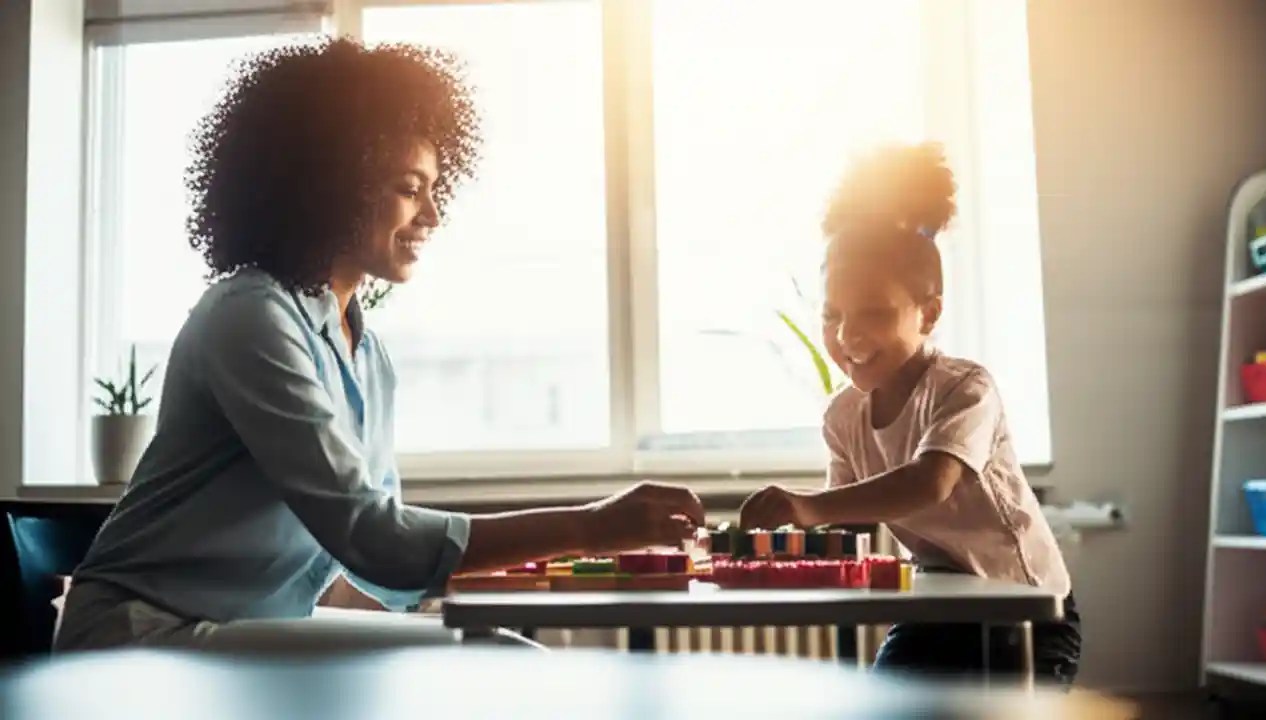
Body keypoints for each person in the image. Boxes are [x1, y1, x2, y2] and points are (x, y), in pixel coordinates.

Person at [55, 37, 703, 652]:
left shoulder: (364, 352)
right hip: (142, 635)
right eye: (409, 188)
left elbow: (369, 569)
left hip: (240, 628)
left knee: (498, 650)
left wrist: (547, 568)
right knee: (496, 661)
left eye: (432, 189)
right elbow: (376, 539)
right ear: (336, 184)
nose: (432, 215)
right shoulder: (249, 317)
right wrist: (591, 524)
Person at [737, 142, 1080, 687]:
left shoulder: (964, 388)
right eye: (832, 315)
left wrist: (804, 506)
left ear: (930, 312)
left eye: (873, 314)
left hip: (1023, 610)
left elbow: (931, 482)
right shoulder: (843, 417)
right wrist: (773, 551)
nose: (847, 336)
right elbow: (845, 518)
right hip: (935, 610)